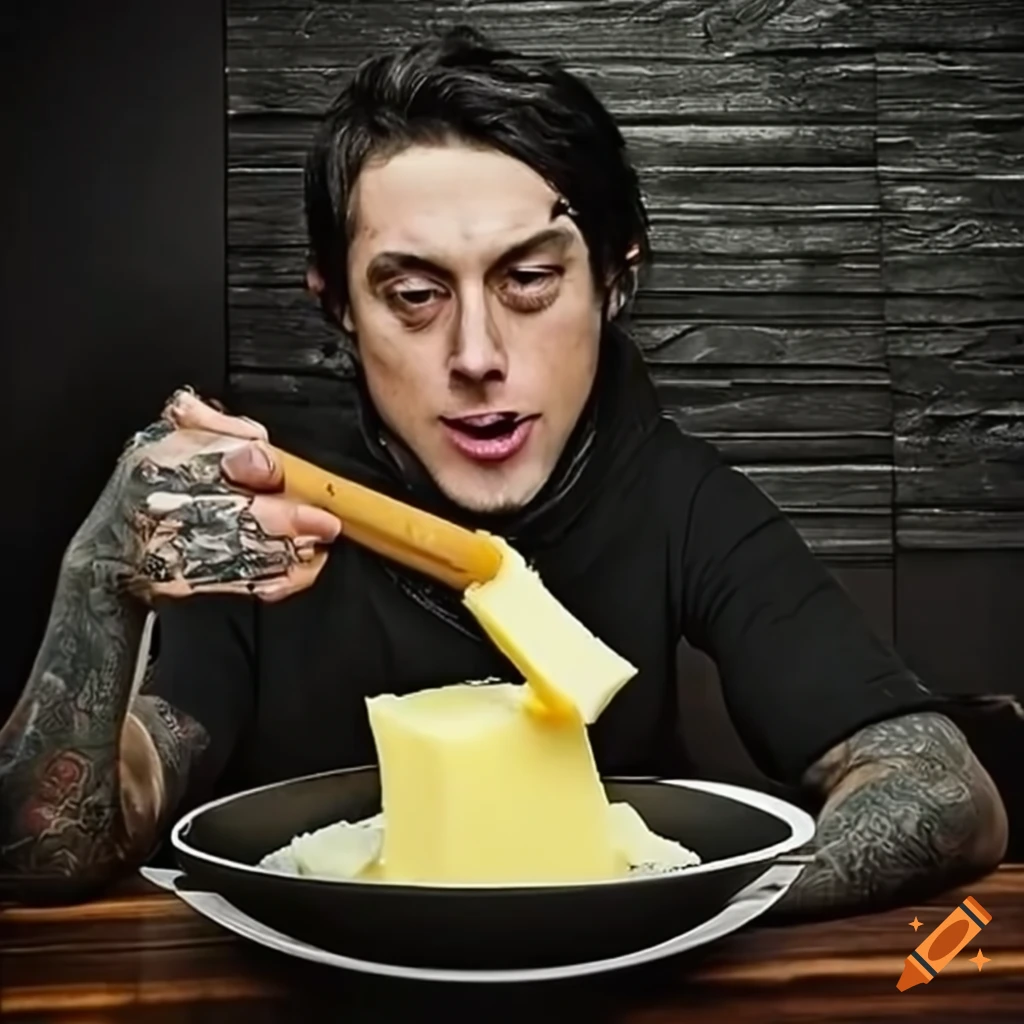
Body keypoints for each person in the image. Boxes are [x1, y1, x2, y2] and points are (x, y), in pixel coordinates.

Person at [0, 26, 1007, 916]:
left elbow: (940, 790)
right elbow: (47, 854)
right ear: (339, 306)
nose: (477, 354)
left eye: (528, 279)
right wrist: (101, 576)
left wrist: (687, 909)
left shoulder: (679, 499)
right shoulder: (263, 512)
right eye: (414, 294)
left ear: (613, 280)